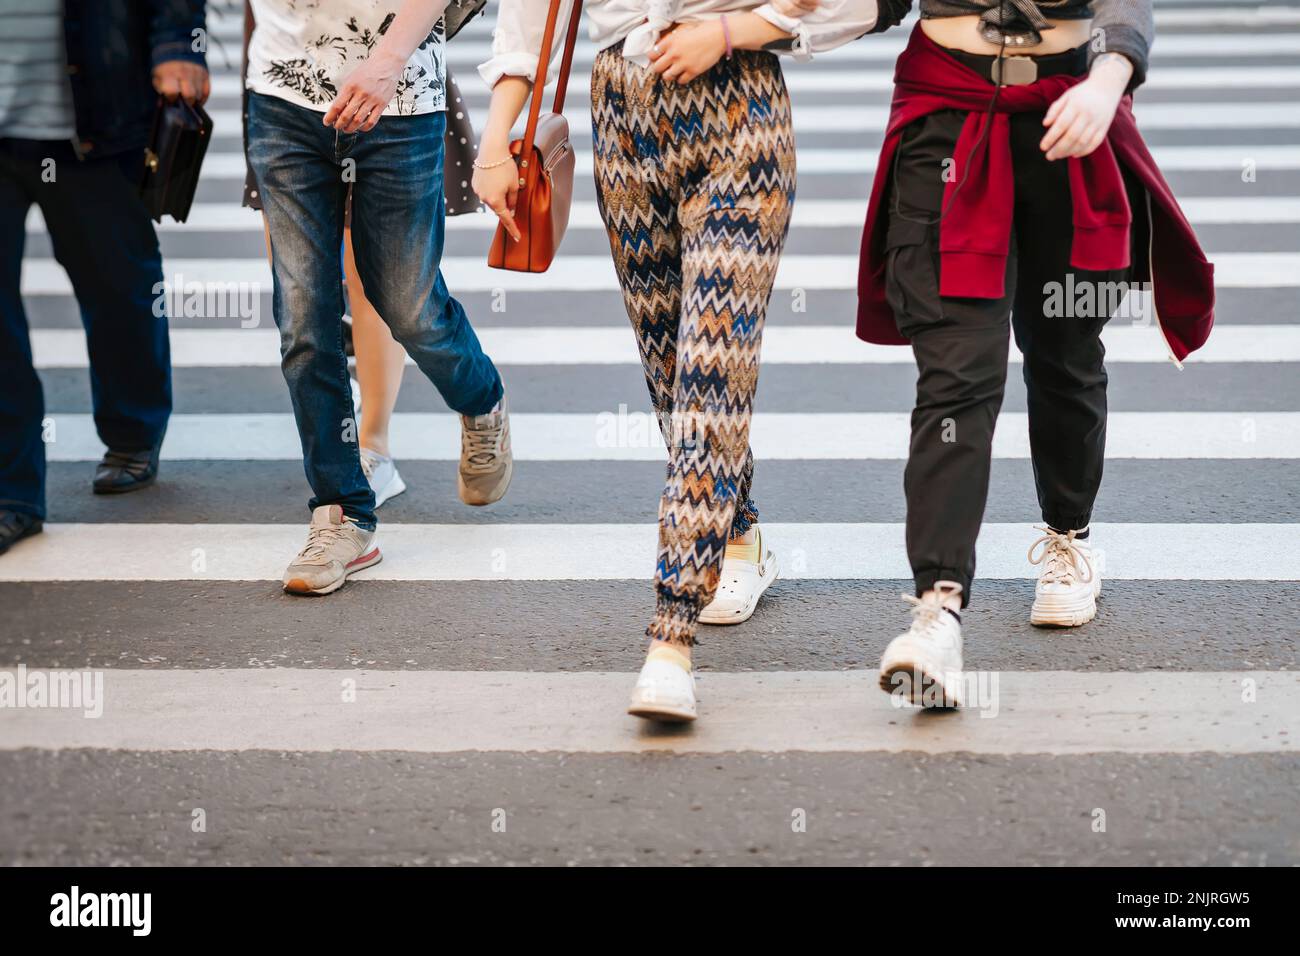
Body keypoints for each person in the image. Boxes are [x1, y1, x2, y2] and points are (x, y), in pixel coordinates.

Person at [474, 0, 876, 722]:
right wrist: (495, 141)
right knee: (668, 369)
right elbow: (529, 15)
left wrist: (729, 31)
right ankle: (738, 528)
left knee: (710, 373)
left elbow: (856, 6)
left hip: (738, 111)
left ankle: (671, 636)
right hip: (622, 114)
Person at [857, 0, 1214, 704]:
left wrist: (1110, 79)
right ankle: (937, 608)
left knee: (1064, 355)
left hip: (1073, 117)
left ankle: (1067, 537)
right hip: (948, 123)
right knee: (957, 377)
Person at [244, 0, 513, 596]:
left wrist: (387, 60)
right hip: (282, 97)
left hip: (401, 99)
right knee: (303, 322)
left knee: (406, 303)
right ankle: (341, 511)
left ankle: (482, 398)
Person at [0, 0, 209, 556]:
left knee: (119, 289)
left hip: (92, 116)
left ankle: (133, 434)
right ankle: (10, 493)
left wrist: (177, 42)